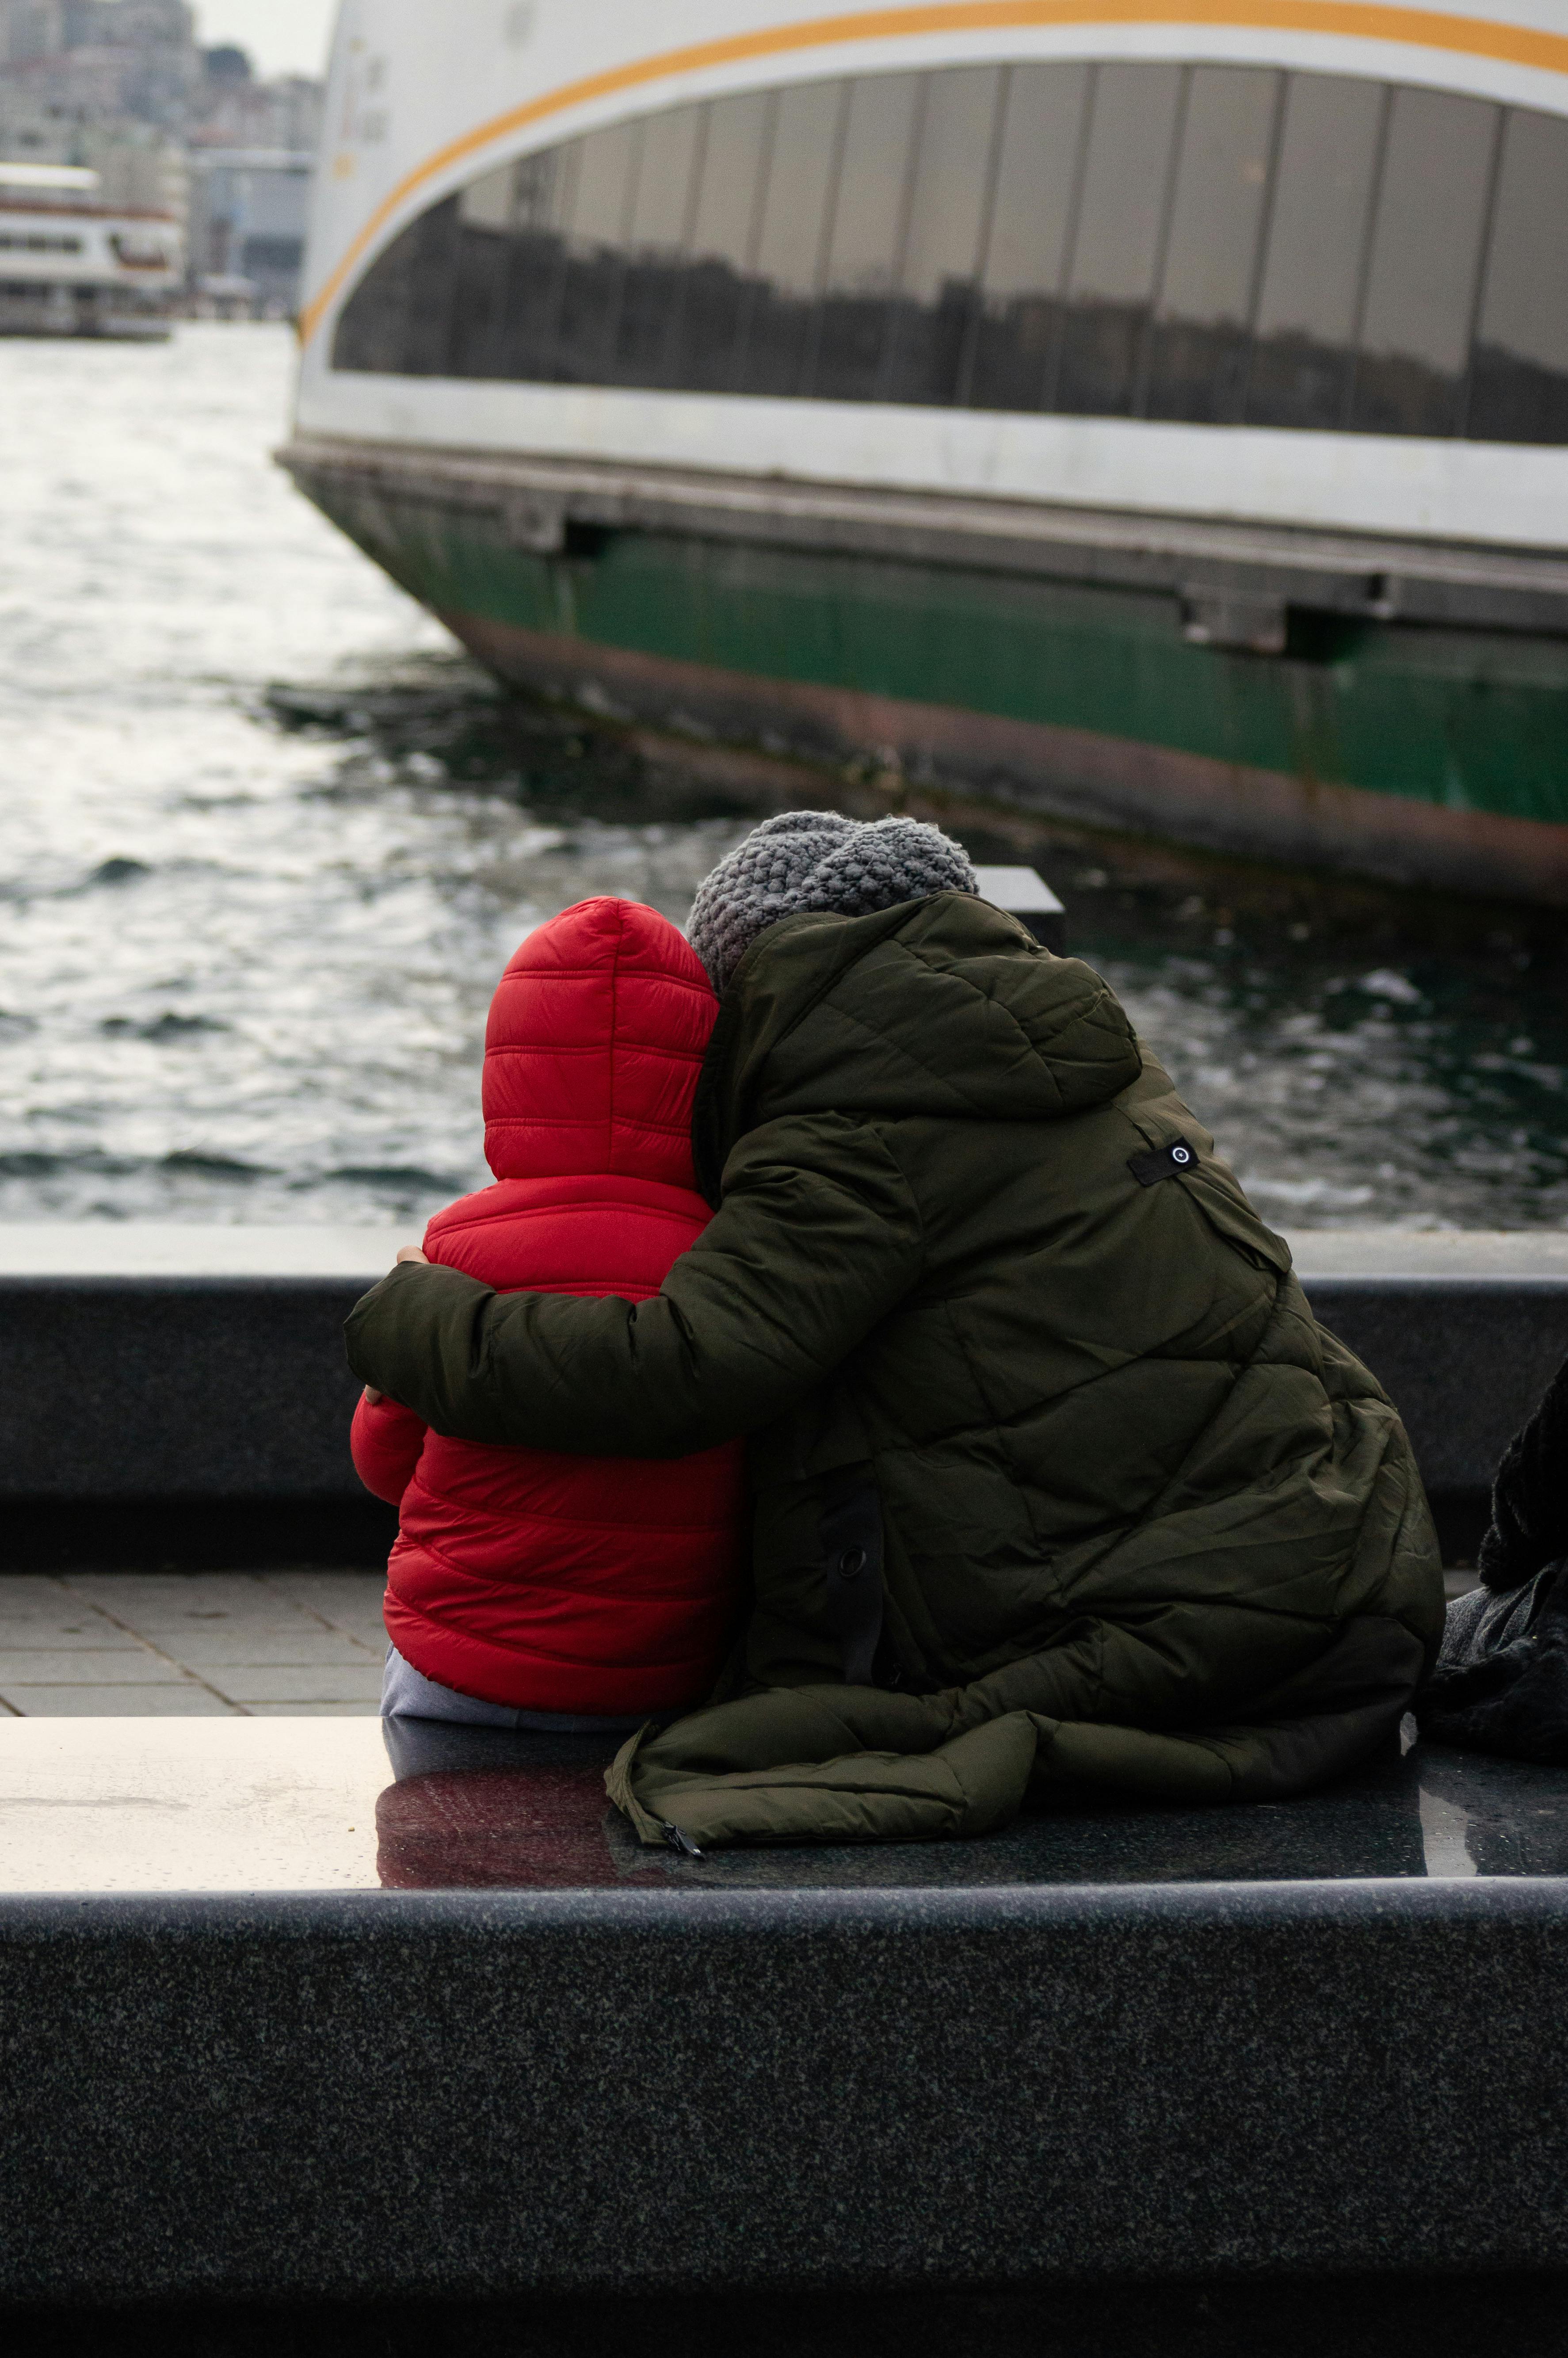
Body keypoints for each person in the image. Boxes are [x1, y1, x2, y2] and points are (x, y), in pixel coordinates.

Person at [347, 811, 1443, 1847]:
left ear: (754, 984)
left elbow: (683, 1369)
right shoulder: (1095, 1058)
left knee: (755, 1745)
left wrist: (413, 1316)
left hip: (1202, 1620)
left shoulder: (849, 1124)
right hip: (1347, 1555)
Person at [353, 895, 745, 1732]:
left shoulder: (457, 1246)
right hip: (667, 1675)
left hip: (458, 1664)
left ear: (510, 1066)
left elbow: (385, 1463)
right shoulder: (726, 1256)